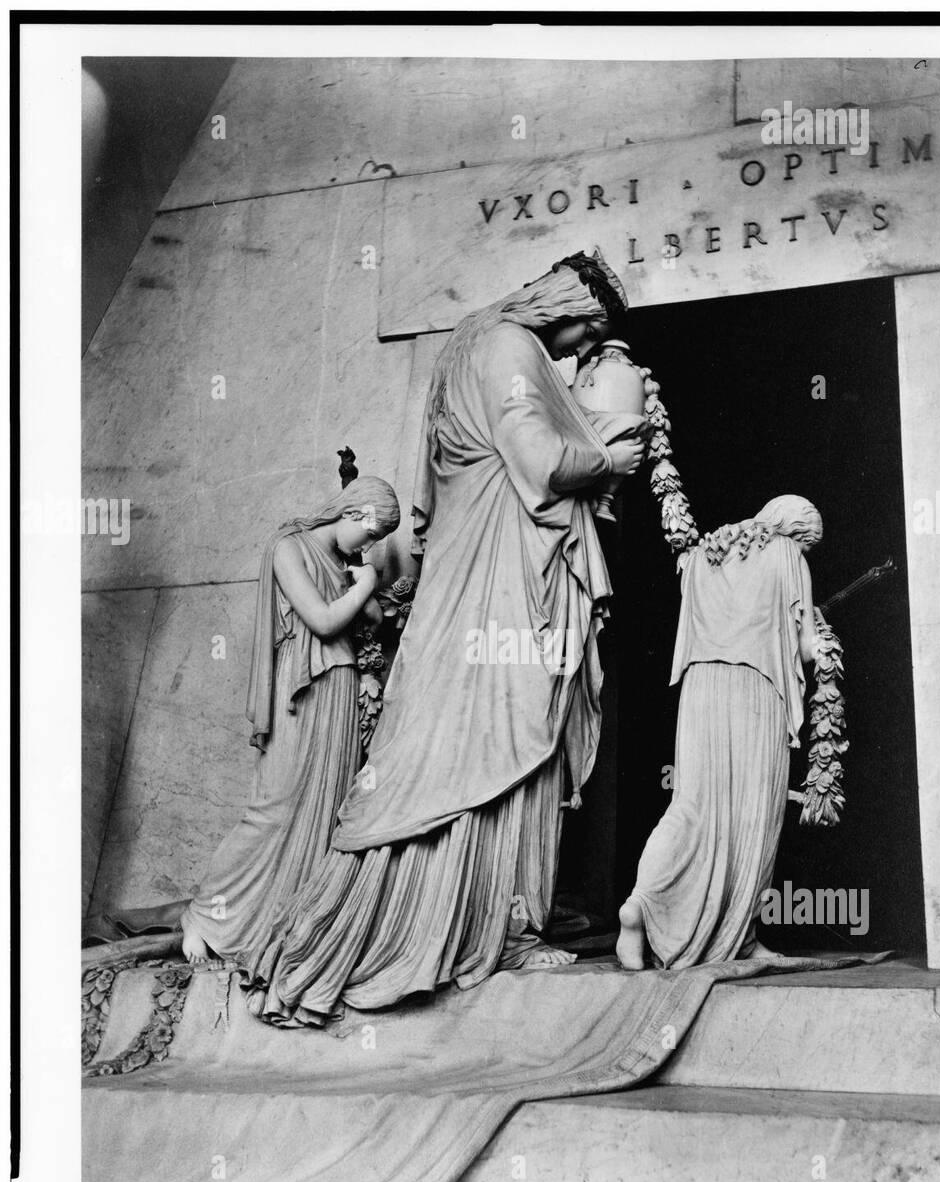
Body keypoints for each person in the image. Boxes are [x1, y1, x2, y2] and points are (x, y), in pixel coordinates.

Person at [244, 250, 644, 1022]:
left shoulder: (466, 339)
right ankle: (491, 924)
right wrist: (607, 455)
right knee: (507, 733)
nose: (575, 354)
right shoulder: (510, 346)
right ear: (564, 304)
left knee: (480, 729)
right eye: (583, 334)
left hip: (473, 565)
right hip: (505, 574)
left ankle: (495, 917)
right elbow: (540, 460)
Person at [179, 475, 401, 967]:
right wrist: (363, 584)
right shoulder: (288, 548)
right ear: (354, 512)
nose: (372, 545)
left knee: (325, 813)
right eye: (371, 533)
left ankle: (282, 925)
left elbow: (369, 624)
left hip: (340, 690)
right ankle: (204, 914)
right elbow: (322, 621)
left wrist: (361, 586)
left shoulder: (346, 562)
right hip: (302, 690)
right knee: (274, 808)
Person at [617, 494, 824, 971]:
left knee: (689, 808)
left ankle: (640, 904)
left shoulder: (705, 551)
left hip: (702, 692)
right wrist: (825, 641)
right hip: (755, 690)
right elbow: (807, 648)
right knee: (753, 815)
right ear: (796, 533)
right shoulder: (787, 553)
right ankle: (742, 937)